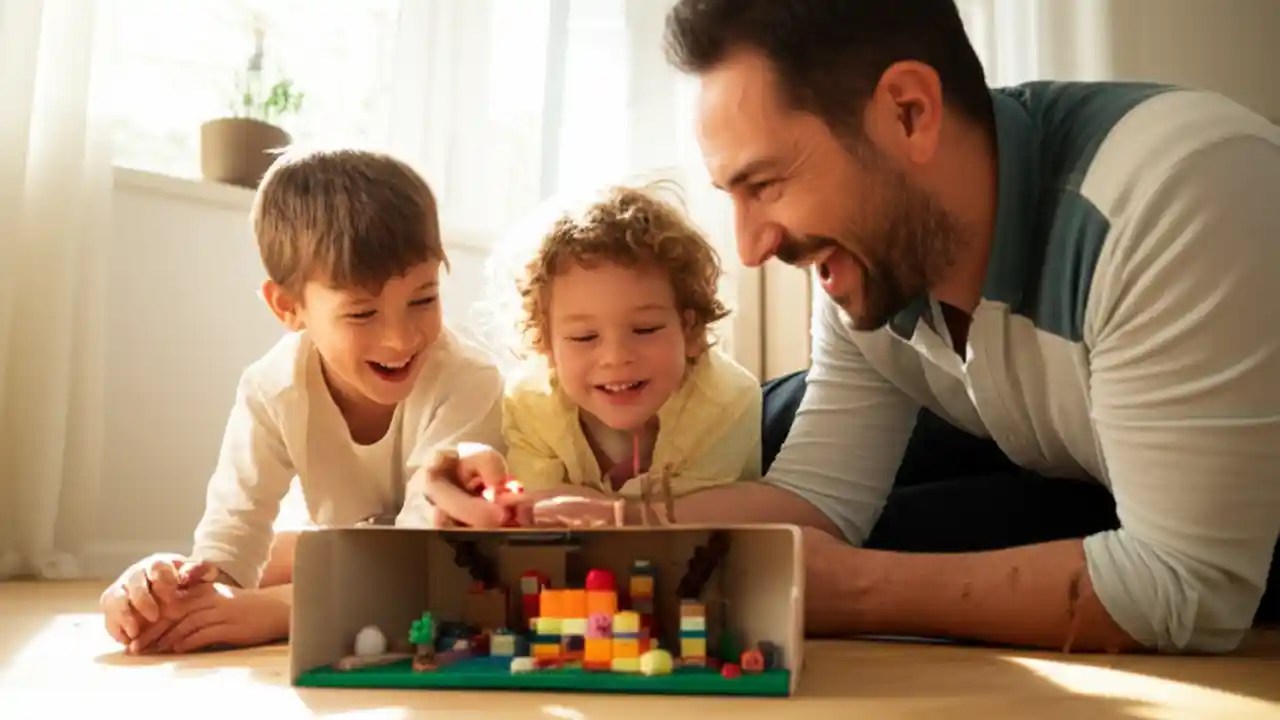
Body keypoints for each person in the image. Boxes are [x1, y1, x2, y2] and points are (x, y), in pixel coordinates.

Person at [435, 0, 1280, 655]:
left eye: (765, 184)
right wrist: (588, 522)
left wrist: (849, 592)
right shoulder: (874, 263)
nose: (751, 246)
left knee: (865, 540)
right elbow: (822, 500)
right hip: (1072, 461)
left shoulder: (1173, 194)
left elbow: (1193, 586)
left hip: (1236, 534)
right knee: (822, 470)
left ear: (908, 112)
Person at [97, 148, 506, 654]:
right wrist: (177, 599)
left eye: (423, 300)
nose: (401, 339)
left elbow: (425, 560)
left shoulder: (469, 380)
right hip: (344, 541)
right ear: (288, 307)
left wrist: (280, 611)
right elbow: (231, 541)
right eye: (362, 314)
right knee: (220, 572)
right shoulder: (272, 388)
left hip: (447, 555)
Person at [399, 184, 761, 527]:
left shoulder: (729, 402)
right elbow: (532, 507)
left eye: (646, 329)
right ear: (546, 347)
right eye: (584, 336)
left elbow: (700, 522)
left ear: (691, 330)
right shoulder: (529, 403)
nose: (616, 357)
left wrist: (591, 506)